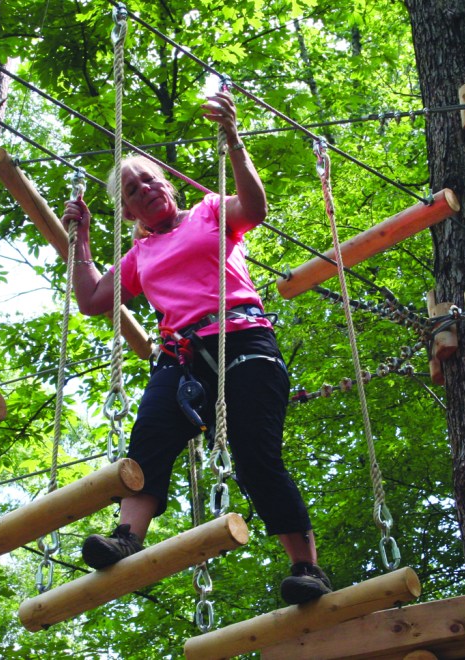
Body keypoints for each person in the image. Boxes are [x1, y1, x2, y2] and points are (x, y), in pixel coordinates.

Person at [61, 90, 331, 605]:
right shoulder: (141, 252)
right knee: (151, 437)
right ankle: (127, 537)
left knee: (256, 459)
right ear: (129, 211)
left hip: (243, 338)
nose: (145, 190)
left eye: (149, 181)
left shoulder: (209, 212)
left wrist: (233, 141)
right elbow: (95, 299)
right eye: (133, 192)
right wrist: (83, 243)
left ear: (166, 184)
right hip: (183, 355)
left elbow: (255, 206)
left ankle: (307, 567)